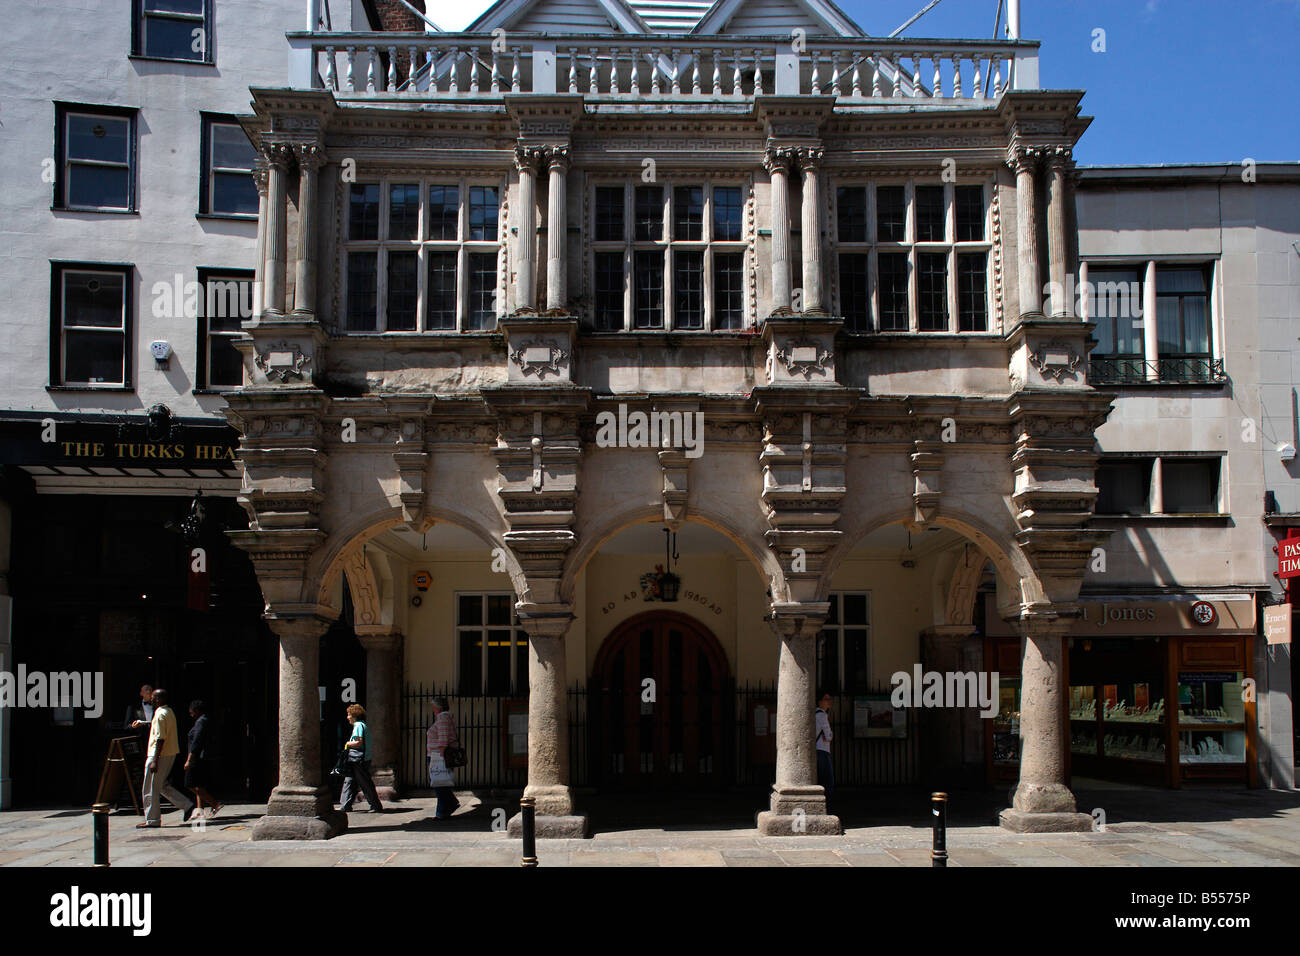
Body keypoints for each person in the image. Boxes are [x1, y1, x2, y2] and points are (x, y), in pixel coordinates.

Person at [137, 689, 196, 828]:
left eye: (153, 697)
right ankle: (187, 806)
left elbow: (160, 738)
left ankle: (152, 820)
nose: (151, 699)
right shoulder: (168, 712)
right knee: (161, 785)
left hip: (158, 755)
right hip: (169, 754)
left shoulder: (159, 715)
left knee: (150, 788)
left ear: (158, 699)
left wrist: (155, 761)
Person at [338, 704, 383, 813]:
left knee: (364, 782)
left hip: (358, 760)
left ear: (354, 715)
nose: (347, 717)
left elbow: (358, 742)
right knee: (350, 780)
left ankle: (375, 805)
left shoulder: (358, 725)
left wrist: (348, 744)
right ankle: (345, 805)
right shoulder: (362, 725)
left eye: (349, 715)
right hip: (359, 759)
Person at [184, 700, 222, 819]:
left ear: (197, 711)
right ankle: (199, 811)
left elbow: (197, 742)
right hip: (201, 757)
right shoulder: (204, 721)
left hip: (197, 757)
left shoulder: (201, 722)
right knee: (198, 783)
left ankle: (215, 803)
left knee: (190, 783)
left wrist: (189, 759)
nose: (191, 715)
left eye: (192, 713)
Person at [426, 697, 460, 819]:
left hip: (437, 755)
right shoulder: (445, 717)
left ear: (438, 707)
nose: (433, 710)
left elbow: (443, 736)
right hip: (437, 754)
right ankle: (451, 803)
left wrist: (440, 757)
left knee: (438, 782)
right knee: (440, 782)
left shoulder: (442, 717)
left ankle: (442, 811)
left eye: (434, 707)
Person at [815, 691, 834, 800]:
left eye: (829, 699)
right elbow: (829, 736)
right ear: (820, 701)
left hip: (817, 749)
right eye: (826, 699)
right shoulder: (822, 715)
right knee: (828, 781)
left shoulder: (814, 714)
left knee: (820, 779)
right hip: (822, 750)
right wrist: (830, 735)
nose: (829, 702)